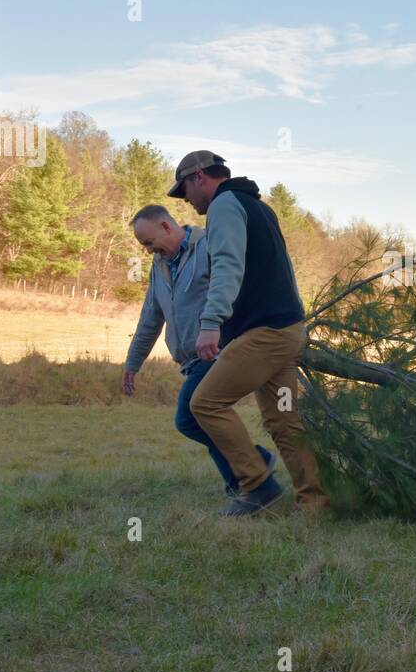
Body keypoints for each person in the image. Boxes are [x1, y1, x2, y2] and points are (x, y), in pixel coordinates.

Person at [165, 149, 327, 517]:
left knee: (205, 404)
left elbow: (226, 264)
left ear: (199, 178)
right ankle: (314, 503)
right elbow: (280, 267)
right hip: (286, 331)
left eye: (185, 191)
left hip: (266, 335)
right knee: (285, 422)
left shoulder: (225, 206)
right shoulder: (258, 207)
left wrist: (211, 324)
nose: (186, 201)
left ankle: (256, 485)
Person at [121, 204, 272, 498]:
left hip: (219, 352)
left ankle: (252, 470)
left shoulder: (207, 247)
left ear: (166, 227)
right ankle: (246, 473)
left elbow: (233, 289)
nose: (148, 251)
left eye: (149, 243)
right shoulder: (161, 265)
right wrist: (132, 362)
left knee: (190, 417)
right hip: (191, 359)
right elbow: (151, 316)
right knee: (200, 418)